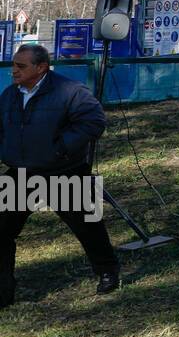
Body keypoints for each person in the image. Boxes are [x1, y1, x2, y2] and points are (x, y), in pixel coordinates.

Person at [0, 45, 118, 306]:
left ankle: (108, 271)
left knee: (89, 227)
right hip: (21, 173)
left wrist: (61, 149)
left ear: (41, 67)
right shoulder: (9, 95)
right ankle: (3, 292)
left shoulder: (70, 91)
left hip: (65, 171)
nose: (14, 71)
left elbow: (94, 122)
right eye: (13, 65)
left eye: (21, 66)